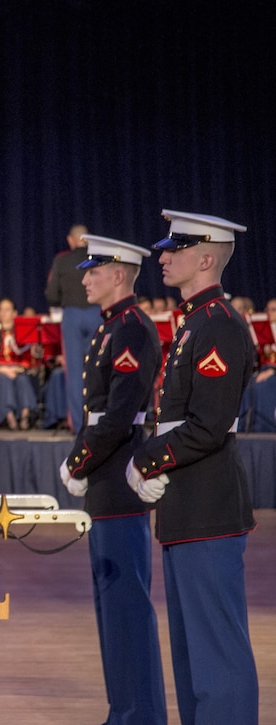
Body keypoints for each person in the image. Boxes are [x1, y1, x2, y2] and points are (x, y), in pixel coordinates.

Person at [127, 210, 258, 724]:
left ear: (206, 259)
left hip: (208, 505)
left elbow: (208, 424)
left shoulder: (220, 326)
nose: (162, 256)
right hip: (188, 504)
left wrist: (147, 459)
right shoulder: (195, 323)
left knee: (216, 656)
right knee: (192, 658)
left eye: (174, 250)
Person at [58, 235, 166, 725]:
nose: (84, 279)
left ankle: (138, 714)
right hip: (108, 478)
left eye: (93, 271)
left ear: (119, 274)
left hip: (118, 477)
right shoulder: (112, 328)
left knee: (126, 609)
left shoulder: (131, 329)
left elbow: (120, 415)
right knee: (111, 608)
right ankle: (123, 711)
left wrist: (78, 461)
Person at [45, 223, 101, 431]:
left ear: (71, 240)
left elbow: (52, 295)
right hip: (97, 313)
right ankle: (98, 422)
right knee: (98, 368)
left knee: (75, 373)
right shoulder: (97, 259)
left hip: (72, 315)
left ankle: (79, 426)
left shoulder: (62, 261)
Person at [0, 297, 38, 430]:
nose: (3, 313)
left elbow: (28, 358)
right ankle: (9, 416)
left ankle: (25, 415)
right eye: (1, 310)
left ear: (14, 313)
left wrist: (17, 369)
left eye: (7, 310)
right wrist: (2, 369)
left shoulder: (22, 332)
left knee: (22, 380)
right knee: (2, 379)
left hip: (18, 369)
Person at [241, 297, 276, 432]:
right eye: (268, 310)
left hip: (272, 373)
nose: (269, 313)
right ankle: (244, 427)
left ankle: (263, 428)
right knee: (247, 383)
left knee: (263, 385)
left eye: (274, 310)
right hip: (263, 370)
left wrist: (273, 370)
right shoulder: (262, 332)